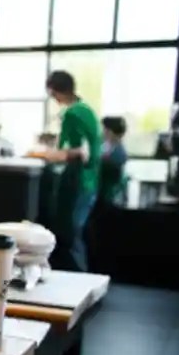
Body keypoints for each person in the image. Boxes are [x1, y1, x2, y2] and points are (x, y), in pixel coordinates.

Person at [38, 70, 102, 271]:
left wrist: (42, 154)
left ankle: (80, 282)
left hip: (78, 180)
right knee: (75, 234)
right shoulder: (86, 110)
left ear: (54, 91)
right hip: (90, 181)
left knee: (69, 234)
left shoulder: (72, 113)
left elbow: (77, 151)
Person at [99, 116, 129, 205]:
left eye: (104, 129)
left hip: (110, 195)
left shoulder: (118, 153)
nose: (102, 132)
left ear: (110, 132)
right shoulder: (106, 147)